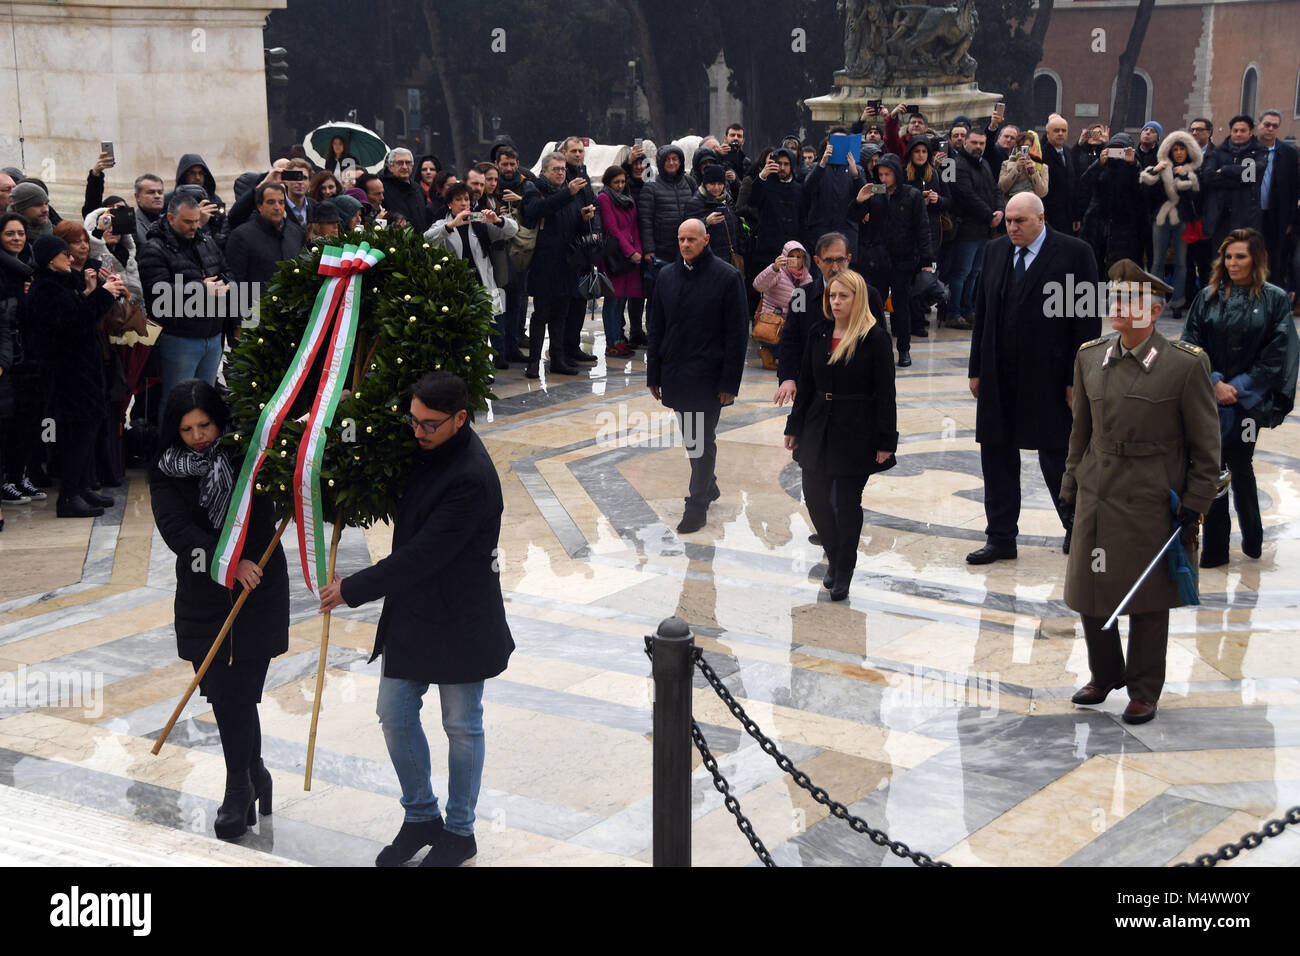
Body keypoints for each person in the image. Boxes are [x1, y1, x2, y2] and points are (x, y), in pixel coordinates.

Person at [318, 371, 514, 868]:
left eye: (429, 425)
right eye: (414, 420)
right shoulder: (422, 447)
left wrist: (352, 588)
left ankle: (459, 830)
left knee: (461, 723)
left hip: (461, 616)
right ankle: (420, 814)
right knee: (394, 712)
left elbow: (425, 554)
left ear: (460, 419)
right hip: (415, 610)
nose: (417, 432)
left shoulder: (471, 476)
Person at [1062, 260, 1220, 725]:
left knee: (1148, 597)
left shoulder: (1184, 365)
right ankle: (1104, 673)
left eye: (1128, 301)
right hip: (1098, 490)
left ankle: (1144, 688)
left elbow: (1206, 445)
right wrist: (1071, 482)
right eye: (1114, 299)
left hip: (1152, 496)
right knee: (1092, 589)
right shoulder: (1091, 357)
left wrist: (1196, 503)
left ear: (1152, 313)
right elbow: (1080, 431)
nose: (1117, 307)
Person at [149, 379, 288, 838]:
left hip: (256, 587)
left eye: (204, 425)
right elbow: (175, 529)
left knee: (237, 691)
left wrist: (245, 560)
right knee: (228, 693)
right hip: (203, 590)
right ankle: (254, 775)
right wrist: (225, 560)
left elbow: (264, 511)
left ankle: (239, 786)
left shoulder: (246, 454)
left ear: (218, 419)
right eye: (186, 429)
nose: (197, 436)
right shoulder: (166, 468)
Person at [966, 193, 1100, 564]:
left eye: (1020, 221)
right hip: (998, 375)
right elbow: (983, 313)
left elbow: (1087, 320)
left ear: (1041, 218)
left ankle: (1076, 528)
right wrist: (975, 368)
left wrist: (1079, 377)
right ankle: (1001, 537)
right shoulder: (994, 252)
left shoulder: (1075, 253)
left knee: (1058, 456)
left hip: (1051, 378)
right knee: (996, 455)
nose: (1012, 228)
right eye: (1008, 221)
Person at [1181, 228, 1299, 566]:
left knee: (1240, 463)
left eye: (1241, 256)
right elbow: (1191, 342)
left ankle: (1252, 538)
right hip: (1209, 398)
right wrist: (1215, 382)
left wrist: (1240, 388)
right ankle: (1216, 550)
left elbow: (1279, 350)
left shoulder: (1274, 299)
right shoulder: (1208, 296)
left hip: (1250, 402)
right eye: (1229, 256)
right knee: (1212, 468)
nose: (1233, 263)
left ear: (1256, 259)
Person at [783, 268, 896, 600]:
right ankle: (835, 557)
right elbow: (805, 384)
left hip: (856, 428)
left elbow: (885, 393)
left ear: (857, 298)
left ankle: (844, 568)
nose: (835, 301)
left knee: (847, 503)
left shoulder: (874, 337)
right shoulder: (818, 332)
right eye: (832, 295)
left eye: (843, 296)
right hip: (818, 423)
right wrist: (795, 426)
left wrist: (886, 441)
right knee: (815, 497)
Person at [647, 218, 748, 533]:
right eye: (681, 239)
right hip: (677, 372)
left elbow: (737, 334)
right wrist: (654, 373)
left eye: (691, 239)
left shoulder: (727, 277)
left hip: (709, 376)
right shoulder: (665, 276)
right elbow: (656, 327)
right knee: (694, 439)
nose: (685, 245)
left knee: (701, 439)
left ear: (706, 239)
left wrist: (730, 382)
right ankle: (709, 483)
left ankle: (697, 504)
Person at [28, 235, 123, 517]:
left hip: (82, 372)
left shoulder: (62, 285)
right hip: (68, 376)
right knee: (76, 434)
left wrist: (92, 290)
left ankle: (81, 488)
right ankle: (68, 496)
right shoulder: (45, 289)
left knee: (87, 430)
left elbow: (80, 315)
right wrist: (103, 294)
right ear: (49, 259)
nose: (70, 259)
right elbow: (76, 323)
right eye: (63, 254)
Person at [138, 194, 234, 400]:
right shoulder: (154, 249)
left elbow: (225, 269)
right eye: (188, 222)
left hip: (213, 335)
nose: (194, 226)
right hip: (179, 338)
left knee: (203, 401)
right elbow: (157, 294)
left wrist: (225, 284)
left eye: (197, 221)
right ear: (171, 219)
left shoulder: (205, 240)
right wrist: (201, 289)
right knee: (178, 402)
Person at [848, 153, 932, 366]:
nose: (883, 178)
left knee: (901, 305)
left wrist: (926, 259)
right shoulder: (875, 192)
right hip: (876, 258)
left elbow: (922, 227)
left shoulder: (911, 195)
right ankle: (876, 348)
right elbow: (853, 216)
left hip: (903, 259)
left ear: (896, 174)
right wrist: (859, 201)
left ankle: (904, 349)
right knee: (874, 304)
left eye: (888, 174)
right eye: (881, 174)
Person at [521, 152, 594, 378]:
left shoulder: (572, 194)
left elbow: (573, 227)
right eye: (556, 169)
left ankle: (558, 358)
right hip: (544, 263)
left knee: (561, 315)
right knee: (541, 314)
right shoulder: (535, 189)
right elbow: (534, 211)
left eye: (563, 169)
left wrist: (583, 219)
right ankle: (533, 361)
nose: (561, 172)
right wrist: (567, 193)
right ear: (545, 171)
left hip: (567, 263)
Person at [942, 129, 1004, 330]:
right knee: (961, 272)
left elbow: (995, 190)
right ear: (966, 143)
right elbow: (966, 195)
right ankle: (954, 312)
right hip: (967, 229)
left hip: (985, 229)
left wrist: (1000, 211)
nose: (978, 147)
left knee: (975, 273)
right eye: (975, 143)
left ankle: (968, 311)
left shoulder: (984, 164)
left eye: (982, 143)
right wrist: (990, 215)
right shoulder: (957, 165)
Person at [1138, 129, 1202, 314]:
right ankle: (1154, 301)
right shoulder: (1160, 168)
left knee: (1181, 262)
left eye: (1183, 149)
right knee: (1157, 262)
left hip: (1182, 219)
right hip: (1161, 218)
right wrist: (1155, 171)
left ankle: (1177, 301)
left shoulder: (1191, 172)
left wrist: (1183, 176)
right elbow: (1145, 190)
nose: (1179, 152)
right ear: (1170, 151)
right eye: (1176, 149)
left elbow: (1195, 195)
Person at [224, 183, 306, 304]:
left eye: (281, 202)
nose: (277, 207)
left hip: (291, 310)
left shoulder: (296, 232)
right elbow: (236, 282)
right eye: (271, 202)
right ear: (259, 206)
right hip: (256, 312)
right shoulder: (241, 236)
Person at [1079, 133, 1147, 271]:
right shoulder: (1102, 165)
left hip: (1124, 227)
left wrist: (1133, 164)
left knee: (1119, 268)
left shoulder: (1134, 166)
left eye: (1120, 149)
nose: (1117, 154)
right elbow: (1084, 183)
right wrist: (1099, 163)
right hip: (1097, 224)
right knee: (1095, 264)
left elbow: (1142, 190)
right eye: (1113, 149)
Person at [1200, 115, 1269, 251]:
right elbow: (1208, 176)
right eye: (1235, 130)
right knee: (1219, 258)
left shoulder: (1259, 151)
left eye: (1242, 131)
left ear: (1251, 132)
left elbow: (1252, 173)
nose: (1238, 134)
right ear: (1230, 131)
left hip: (1246, 216)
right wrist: (1239, 180)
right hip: (1220, 216)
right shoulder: (1218, 151)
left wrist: (1226, 169)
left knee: (1244, 257)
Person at [596, 165, 643, 358]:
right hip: (614, 256)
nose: (620, 186)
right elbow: (612, 228)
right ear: (608, 182)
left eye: (623, 182)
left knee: (622, 300)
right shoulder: (604, 198)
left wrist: (638, 251)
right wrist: (630, 251)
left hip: (629, 258)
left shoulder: (629, 200)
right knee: (612, 301)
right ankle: (611, 342)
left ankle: (619, 339)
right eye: (616, 182)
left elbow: (634, 228)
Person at [752, 240, 813, 370]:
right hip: (771, 323)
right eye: (792, 256)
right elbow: (758, 286)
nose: (795, 260)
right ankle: (768, 351)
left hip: (789, 323)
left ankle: (778, 354)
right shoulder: (777, 272)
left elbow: (801, 308)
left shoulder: (806, 278)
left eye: (799, 257)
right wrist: (773, 268)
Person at [1256, 110, 1298, 293]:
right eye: (1267, 125)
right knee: (1252, 256)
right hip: (1253, 213)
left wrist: (1290, 221)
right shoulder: (1250, 149)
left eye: (1274, 126)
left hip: (1277, 216)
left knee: (1275, 261)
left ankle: (1272, 301)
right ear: (1259, 125)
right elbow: (1246, 182)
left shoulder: (1287, 153)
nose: (1270, 129)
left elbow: (1293, 189)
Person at [1040, 114, 1079, 236]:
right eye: (1056, 131)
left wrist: (1075, 215)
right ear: (1048, 134)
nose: (1060, 133)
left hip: (1067, 215)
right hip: (1050, 215)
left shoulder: (1067, 152)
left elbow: (1072, 185)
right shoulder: (1042, 154)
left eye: (1063, 130)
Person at [998, 130, 1049, 199]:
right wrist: (1016, 169)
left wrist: (1034, 173)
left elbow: (1042, 192)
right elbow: (1002, 188)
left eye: (1028, 146)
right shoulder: (1006, 164)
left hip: (1032, 205)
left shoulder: (1042, 167)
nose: (1025, 150)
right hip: (1012, 204)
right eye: (1021, 146)